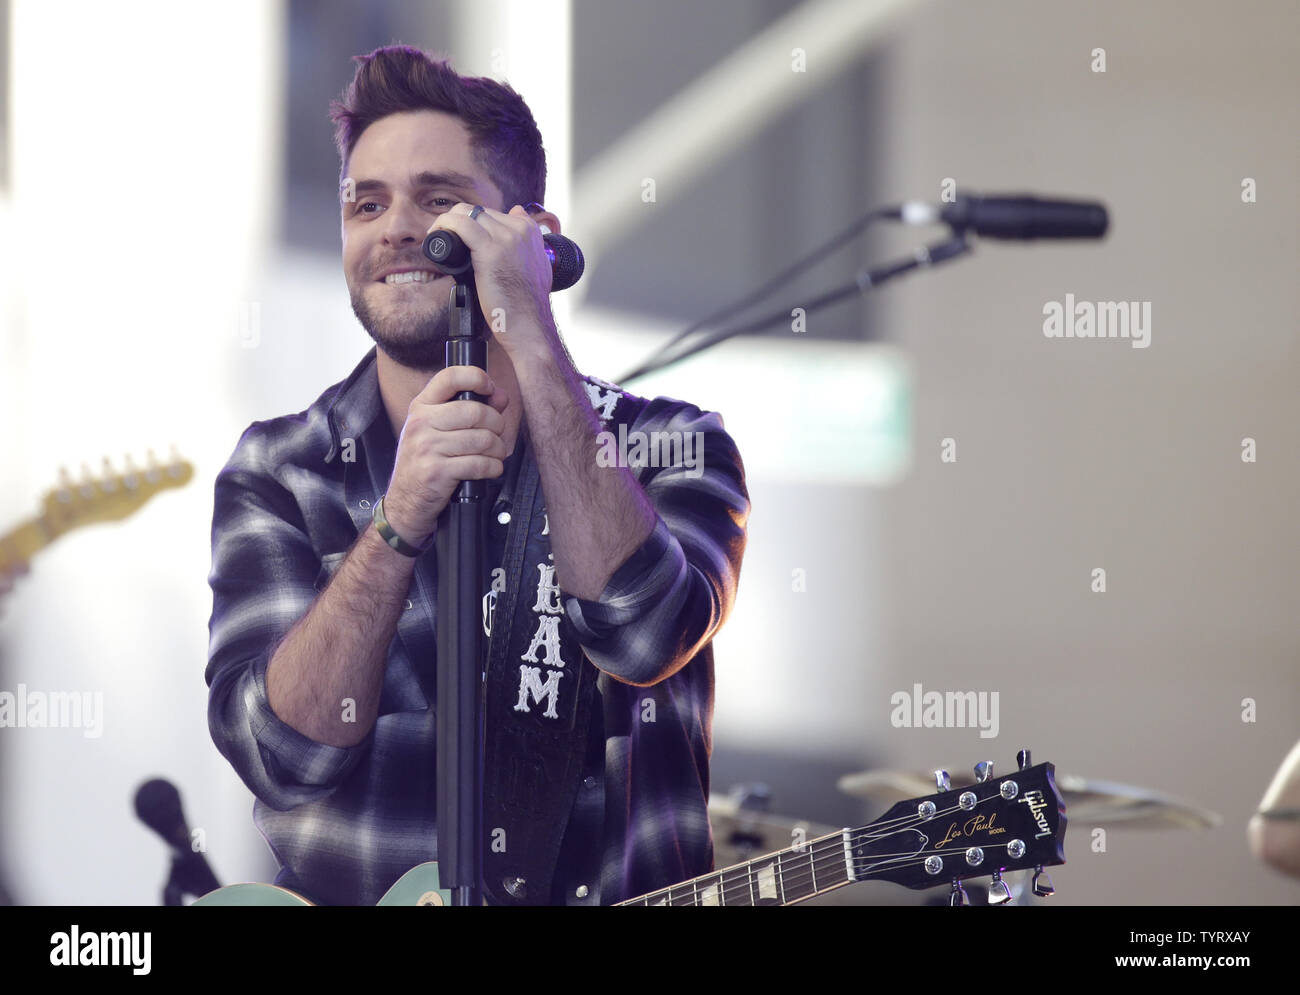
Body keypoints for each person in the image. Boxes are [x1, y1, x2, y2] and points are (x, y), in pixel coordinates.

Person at [205, 45, 749, 906]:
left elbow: (643, 633)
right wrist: (396, 520)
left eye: (438, 201)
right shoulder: (280, 469)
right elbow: (283, 755)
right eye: (367, 202)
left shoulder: (671, 446)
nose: (395, 230)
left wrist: (527, 326)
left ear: (536, 238)